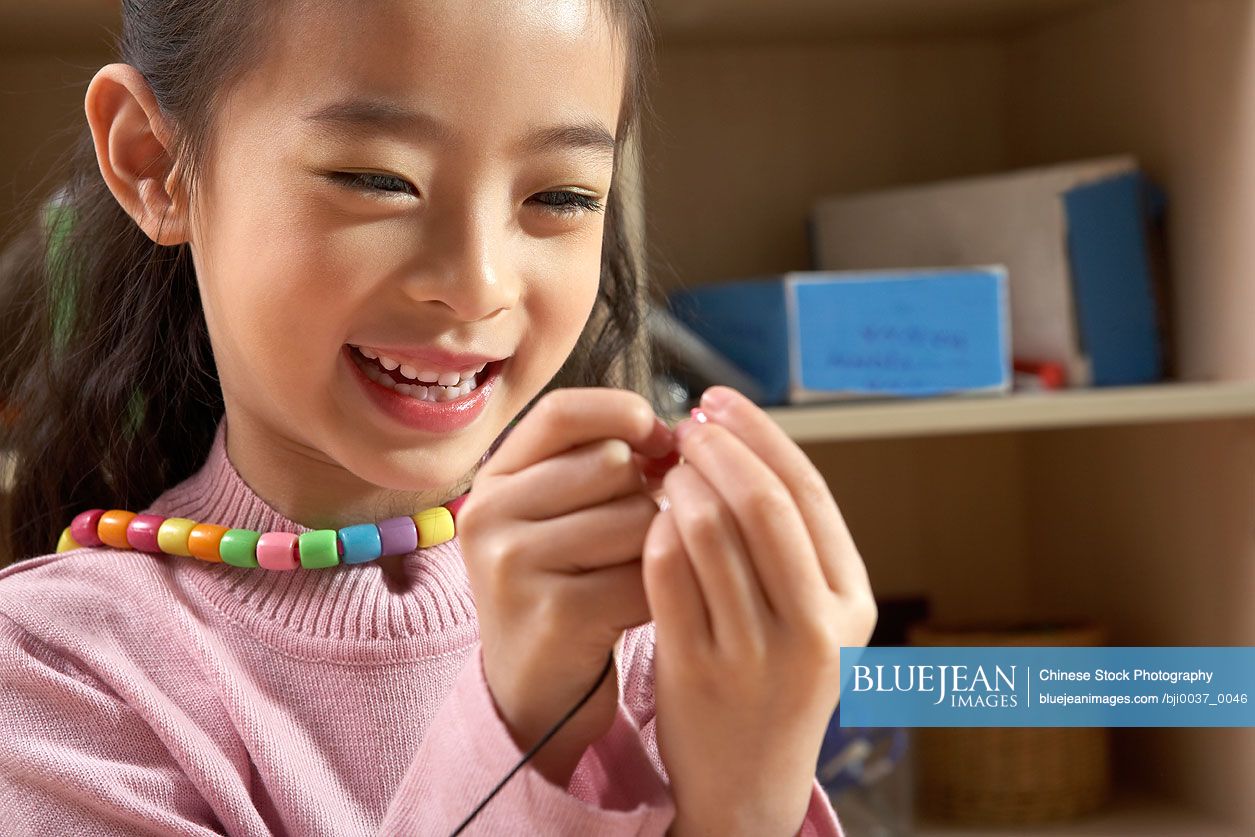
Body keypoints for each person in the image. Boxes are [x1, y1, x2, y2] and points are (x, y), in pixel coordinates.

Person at [0, 1, 877, 834]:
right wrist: (521, 726)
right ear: (153, 161)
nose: (476, 282)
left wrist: (747, 797)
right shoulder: (53, 671)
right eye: (377, 180)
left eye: (562, 197)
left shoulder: (661, 628)